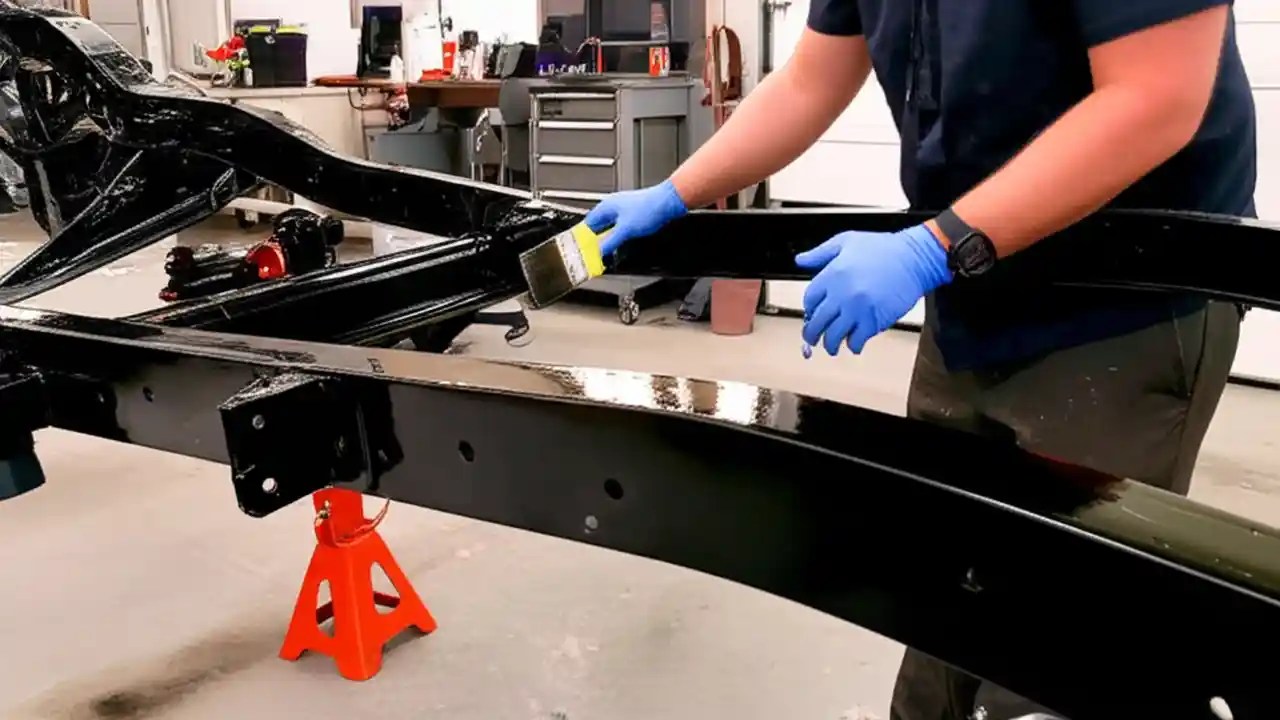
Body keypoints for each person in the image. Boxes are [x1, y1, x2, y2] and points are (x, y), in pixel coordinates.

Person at [583, 1, 1255, 718]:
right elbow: (812, 78)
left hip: (1120, 308)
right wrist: (679, 190)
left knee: (1059, 644)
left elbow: (1155, 98)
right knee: (943, 597)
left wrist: (930, 248)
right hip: (976, 281)